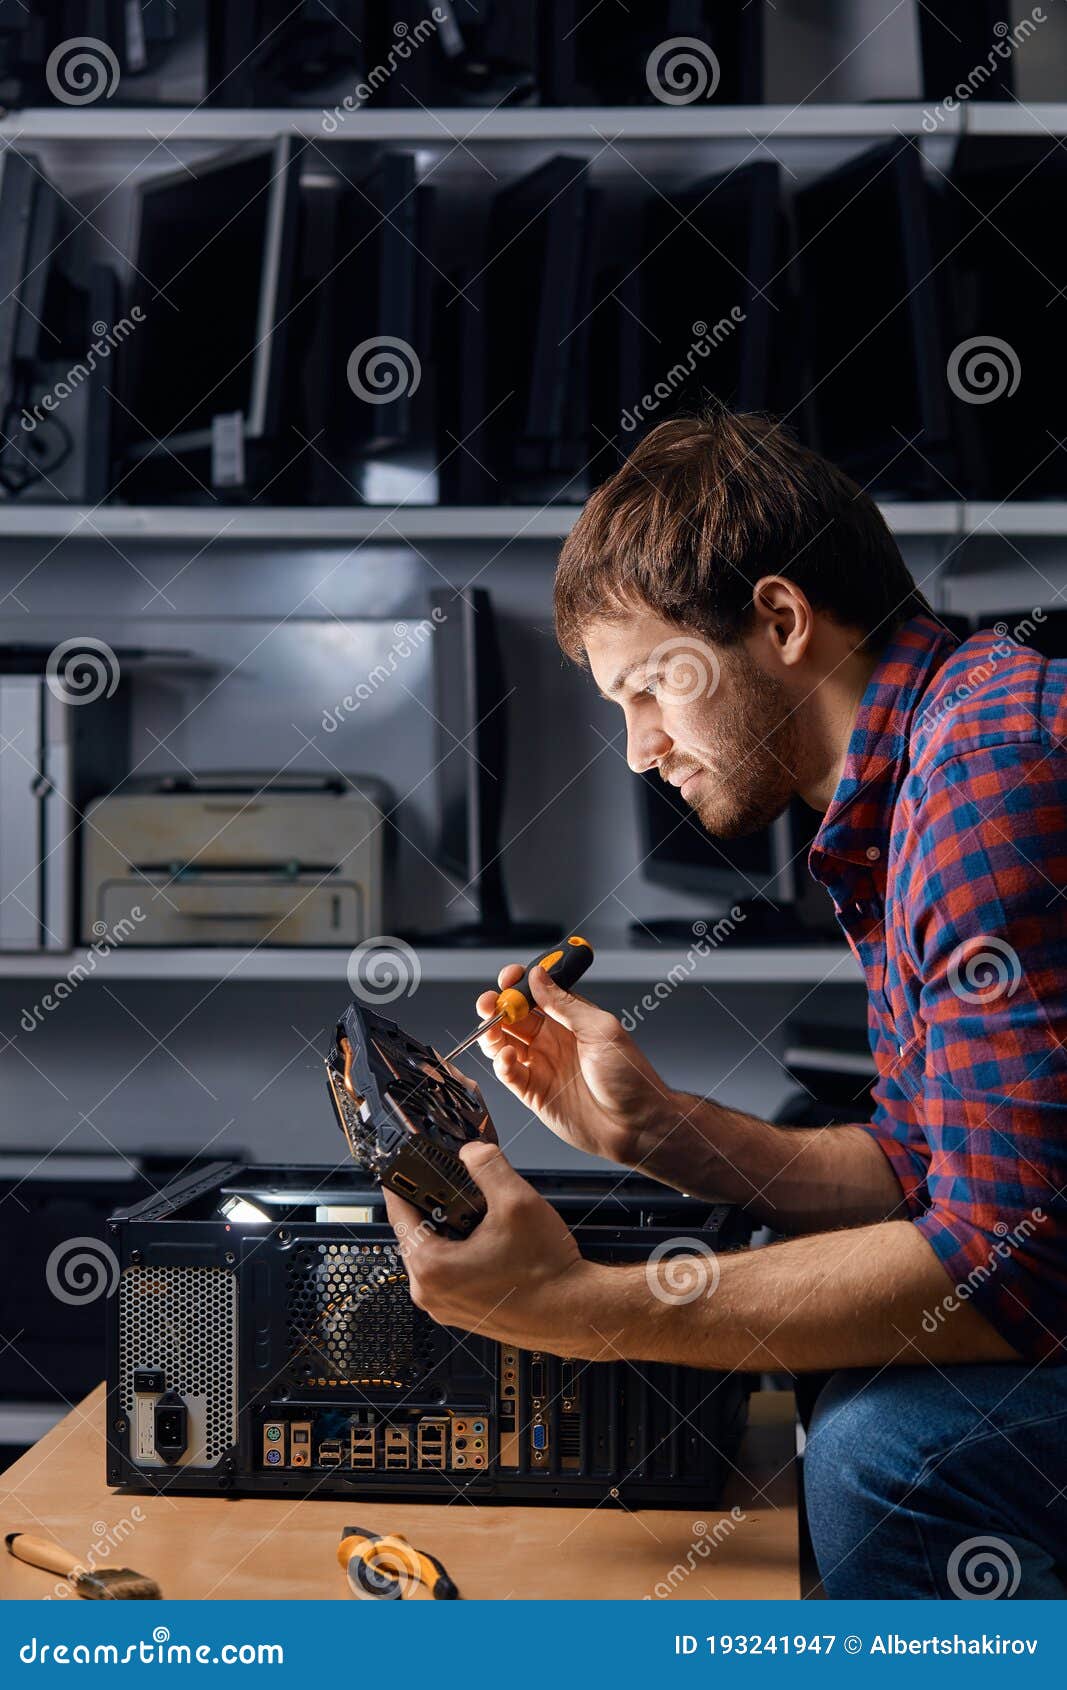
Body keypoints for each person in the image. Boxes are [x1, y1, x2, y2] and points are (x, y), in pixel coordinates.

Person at [384, 410, 1067, 1598]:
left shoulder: (982, 787)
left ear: (781, 620)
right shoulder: (926, 769)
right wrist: (659, 1137)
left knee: (889, 1456)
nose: (639, 750)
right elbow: (931, 1167)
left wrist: (574, 1308)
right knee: (849, 1385)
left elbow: (1012, 1265)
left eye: (651, 688)